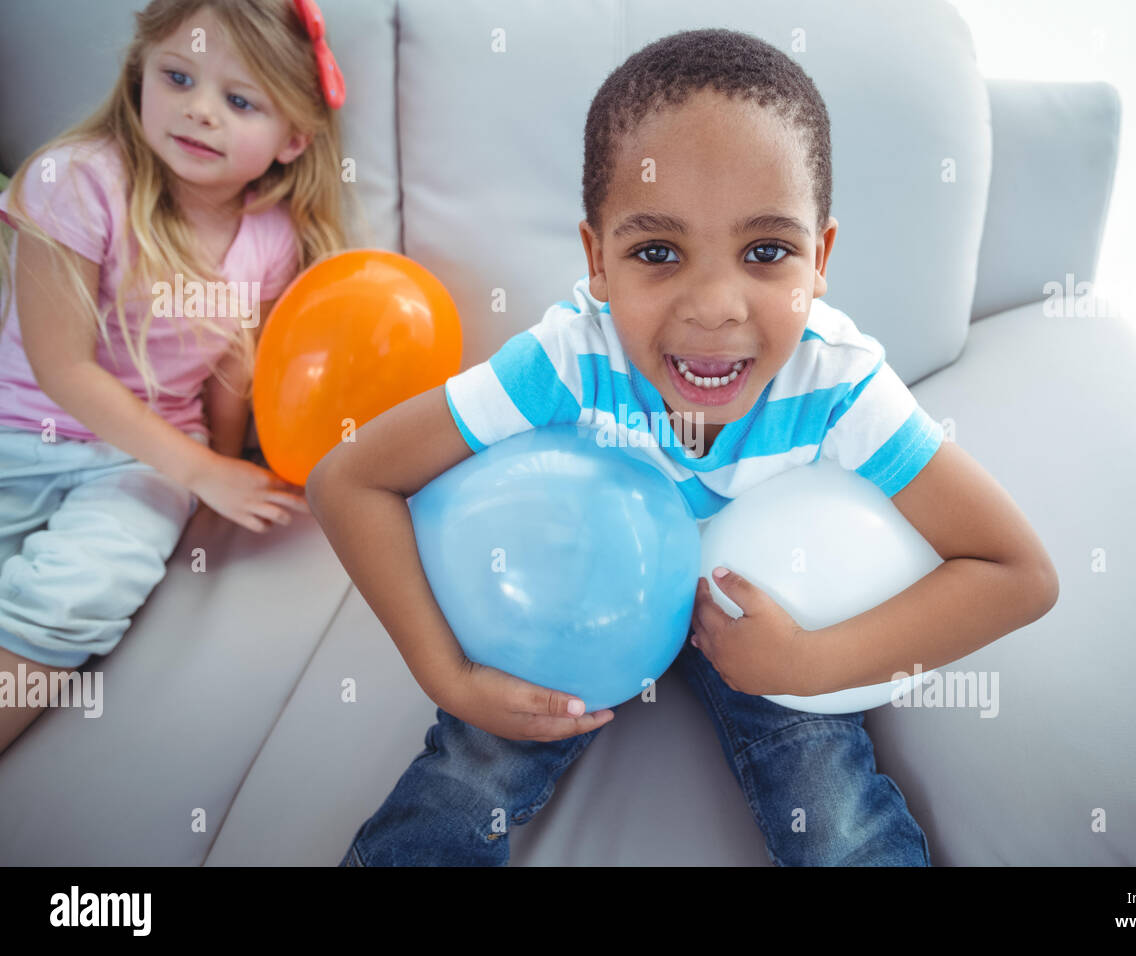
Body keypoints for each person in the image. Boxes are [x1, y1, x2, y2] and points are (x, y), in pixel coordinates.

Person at [308, 28, 1059, 866]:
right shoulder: (567, 360)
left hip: (768, 624)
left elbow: (1017, 574)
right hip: (579, 608)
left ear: (820, 260)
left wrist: (808, 662)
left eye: (767, 252)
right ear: (597, 260)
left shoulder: (839, 383)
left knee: (839, 822)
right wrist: (449, 677)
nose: (715, 307)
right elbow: (349, 480)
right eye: (657, 252)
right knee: (463, 785)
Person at [0, 0, 351, 753]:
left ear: (293, 137)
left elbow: (230, 366)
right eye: (179, 77)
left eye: (239, 99)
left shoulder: (270, 237)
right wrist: (204, 469)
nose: (199, 112)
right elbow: (61, 368)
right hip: (19, 431)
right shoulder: (78, 181)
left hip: (139, 465)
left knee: (85, 586)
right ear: (140, 74)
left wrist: (227, 463)